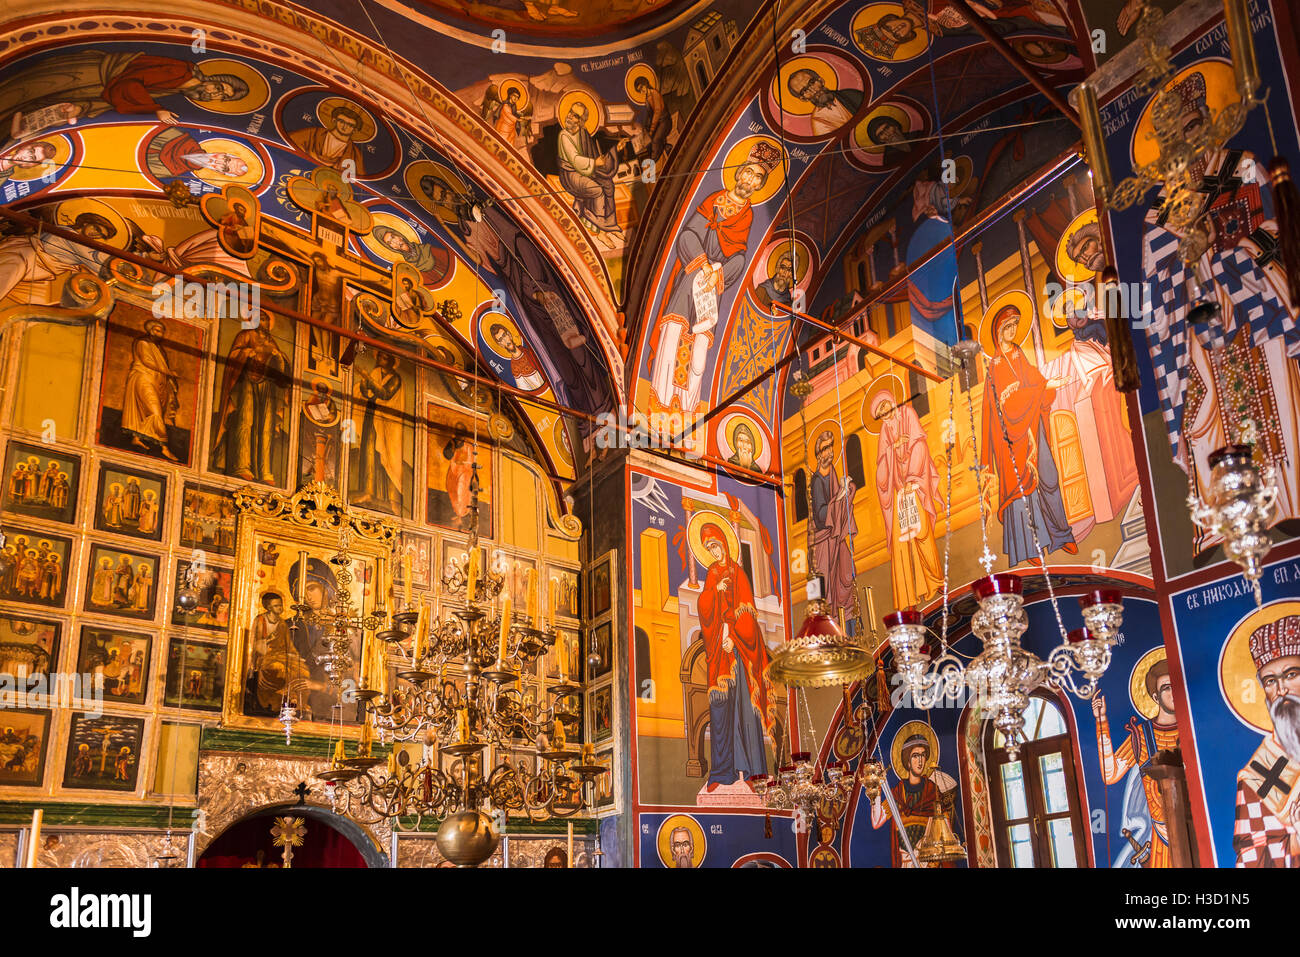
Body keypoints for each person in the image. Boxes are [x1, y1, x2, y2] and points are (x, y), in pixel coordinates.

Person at [647, 142, 779, 412]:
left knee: (699, 347)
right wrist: (703, 265)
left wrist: (718, 274)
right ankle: (661, 396)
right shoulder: (715, 200)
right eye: (749, 172)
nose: (750, 180)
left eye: (758, 177)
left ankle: (689, 406)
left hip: (710, 288)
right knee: (674, 331)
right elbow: (687, 234)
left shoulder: (747, 216)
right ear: (739, 172)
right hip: (690, 277)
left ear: (760, 185)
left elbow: (739, 256)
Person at [979, 303, 1078, 566]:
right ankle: (1031, 549)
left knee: (1049, 476)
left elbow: (1034, 380)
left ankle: (1061, 535)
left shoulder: (1019, 354)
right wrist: (1043, 388)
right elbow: (1007, 407)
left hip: (1033, 427)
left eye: (1015, 325)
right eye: (1007, 326)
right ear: (998, 331)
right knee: (1022, 490)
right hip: (1011, 441)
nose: (1012, 331)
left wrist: (1046, 385)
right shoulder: (995, 367)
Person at [696, 521, 774, 791]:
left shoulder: (738, 573)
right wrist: (714, 592)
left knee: (745, 709)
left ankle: (753, 773)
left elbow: (747, 612)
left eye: (716, 546)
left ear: (724, 544)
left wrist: (735, 638)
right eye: (709, 548)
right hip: (719, 653)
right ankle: (722, 772)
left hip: (739, 653)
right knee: (720, 710)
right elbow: (704, 608)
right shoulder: (711, 573)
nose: (714, 552)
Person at [1093, 656, 1180, 868]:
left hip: (1196, 823)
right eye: (1166, 688)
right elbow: (1110, 774)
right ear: (1155, 697)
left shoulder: (1192, 728)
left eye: (1175, 687)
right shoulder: (1142, 736)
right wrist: (1101, 721)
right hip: (1162, 836)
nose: (1173, 693)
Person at [1234, 615, 1300, 867]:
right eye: (1270, 681)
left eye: (1291, 674)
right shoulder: (1257, 775)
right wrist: (1296, 839)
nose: (1281, 690)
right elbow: (1249, 856)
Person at [873, 391, 943, 609]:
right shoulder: (885, 430)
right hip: (899, 493)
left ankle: (935, 580)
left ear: (891, 402)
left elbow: (919, 445)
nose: (885, 414)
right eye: (880, 413)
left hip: (914, 484)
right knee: (902, 543)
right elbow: (881, 471)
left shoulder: (908, 414)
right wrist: (892, 449)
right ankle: (908, 596)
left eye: (885, 407)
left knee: (922, 533)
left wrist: (913, 477)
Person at [210, 317, 291, 483]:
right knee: (245, 421)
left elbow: (282, 369)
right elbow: (234, 355)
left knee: (266, 427)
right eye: (260, 318)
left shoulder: (272, 342)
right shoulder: (246, 335)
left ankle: (265, 471)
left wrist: (279, 357)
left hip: (267, 385)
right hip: (246, 381)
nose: (263, 321)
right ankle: (242, 465)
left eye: (266, 319)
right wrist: (247, 353)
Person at [870, 734, 954, 867]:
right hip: (906, 862)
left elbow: (946, 830)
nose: (920, 761)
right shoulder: (898, 793)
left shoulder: (932, 791)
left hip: (930, 862)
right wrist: (876, 786)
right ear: (907, 761)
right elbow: (876, 822)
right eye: (915, 756)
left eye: (923, 755)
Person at [556, 102, 624, 242]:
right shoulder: (564, 135)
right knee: (597, 190)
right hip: (570, 175)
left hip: (586, 171)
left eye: (575, 115)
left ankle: (610, 226)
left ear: (581, 121)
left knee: (608, 185)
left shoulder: (583, 134)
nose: (570, 116)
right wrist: (594, 163)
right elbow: (575, 159)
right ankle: (601, 231)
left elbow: (595, 157)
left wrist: (615, 150)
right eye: (570, 112)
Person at [810, 430, 857, 618]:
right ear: (818, 454)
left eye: (831, 447)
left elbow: (838, 508)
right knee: (826, 586)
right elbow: (821, 517)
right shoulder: (816, 480)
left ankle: (847, 620)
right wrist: (838, 498)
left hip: (835, 537)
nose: (829, 452)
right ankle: (831, 623)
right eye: (825, 448)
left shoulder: (833, 472)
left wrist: (846, 491)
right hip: (823, 541)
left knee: (846, 571)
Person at [353, 351, 405, 514]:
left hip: (387, 422)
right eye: (380, 357)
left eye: (385, 357)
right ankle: (368, 492)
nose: (381, 359)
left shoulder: (396, 378)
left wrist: (368, 379)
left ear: (391, 361)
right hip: (371, 416)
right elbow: (366, 392)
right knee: (368, 452)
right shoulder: (375, 372)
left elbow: (385, 393)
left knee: (389, 457)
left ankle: (392, 500)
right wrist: (364, 381)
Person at [121, 318, 180, 461]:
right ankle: (164, 447)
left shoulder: (159, 349)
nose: (160, 334)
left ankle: (136, 438)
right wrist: (168, 372)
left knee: (146, 411)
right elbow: (147, 361)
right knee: (155, 412)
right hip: (142, 378)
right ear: (150, 330)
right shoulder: (143, 343)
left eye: (162, 332)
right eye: (157, 330)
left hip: (155, 382)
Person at [288, 104, 366, 174]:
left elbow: (357, 176)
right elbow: (291, 141)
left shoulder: (355, 153)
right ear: (334, 120)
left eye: (350, 125)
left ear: (355, 130)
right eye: (341, 121)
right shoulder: (314, 133)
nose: (345, 126)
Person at [786, 67, 861, 136]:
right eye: (804, 90)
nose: (813, 90)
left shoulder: (850, 94)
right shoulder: (819, 121)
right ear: (804, 99)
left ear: (821, 80)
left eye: (812, 82)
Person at [487, 323, 544, 391]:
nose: (505, 340)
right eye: (501, 339)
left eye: (504, 335)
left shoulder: (528, 351)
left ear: (509, 334)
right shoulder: (514, 367)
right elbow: (524, 389)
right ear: (500, 344)